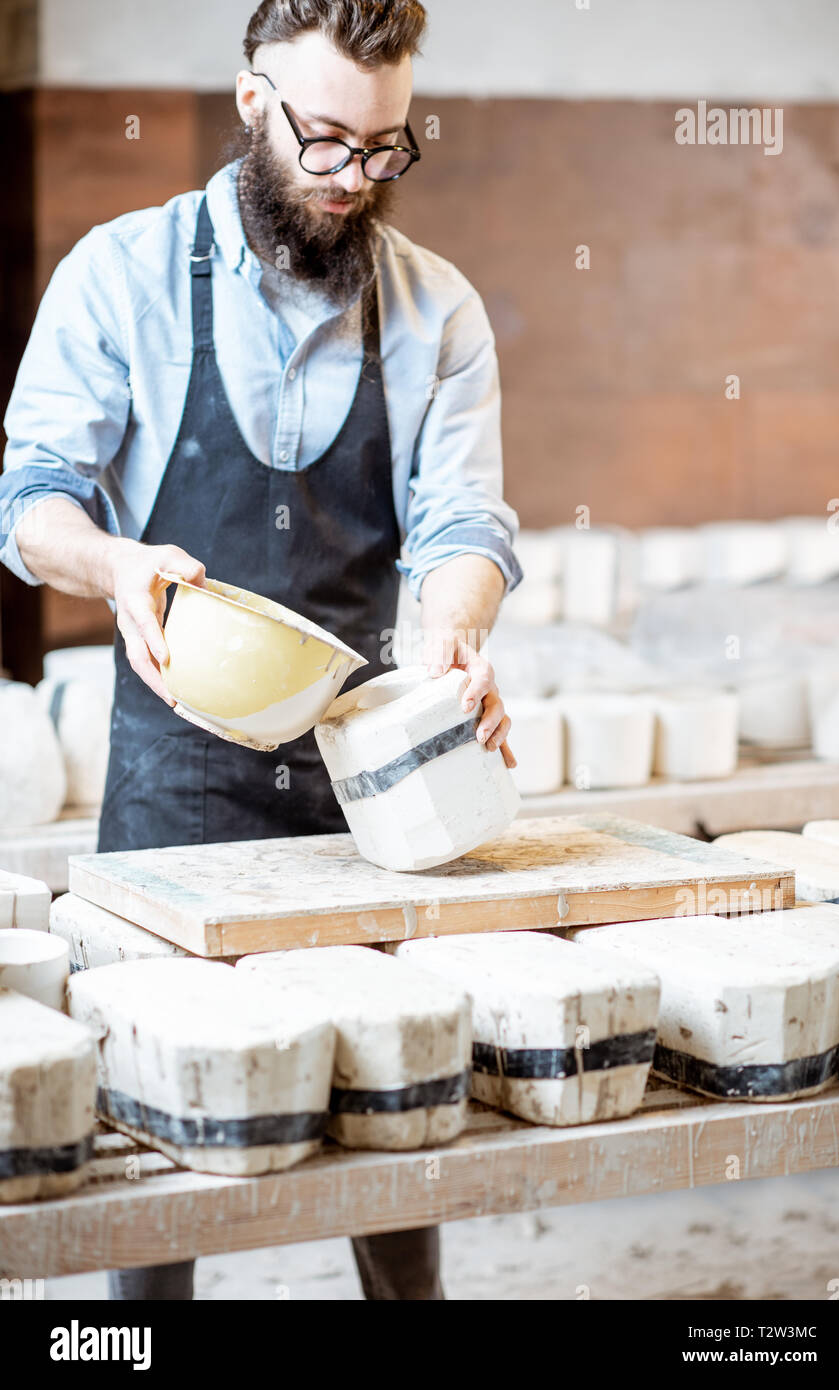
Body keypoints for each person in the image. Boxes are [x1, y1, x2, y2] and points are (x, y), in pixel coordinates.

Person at [0, 0, 523, 1300]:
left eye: (387, 149)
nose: (354, 179)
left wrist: (451, 641)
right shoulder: (122, 274)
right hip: (172, 777)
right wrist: (117, 565)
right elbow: (31, 501)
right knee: (167, 1128)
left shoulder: (436, 311)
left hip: (366, 781)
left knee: (396, 1111)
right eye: (326, 140)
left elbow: (465, 523)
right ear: (252, 103)